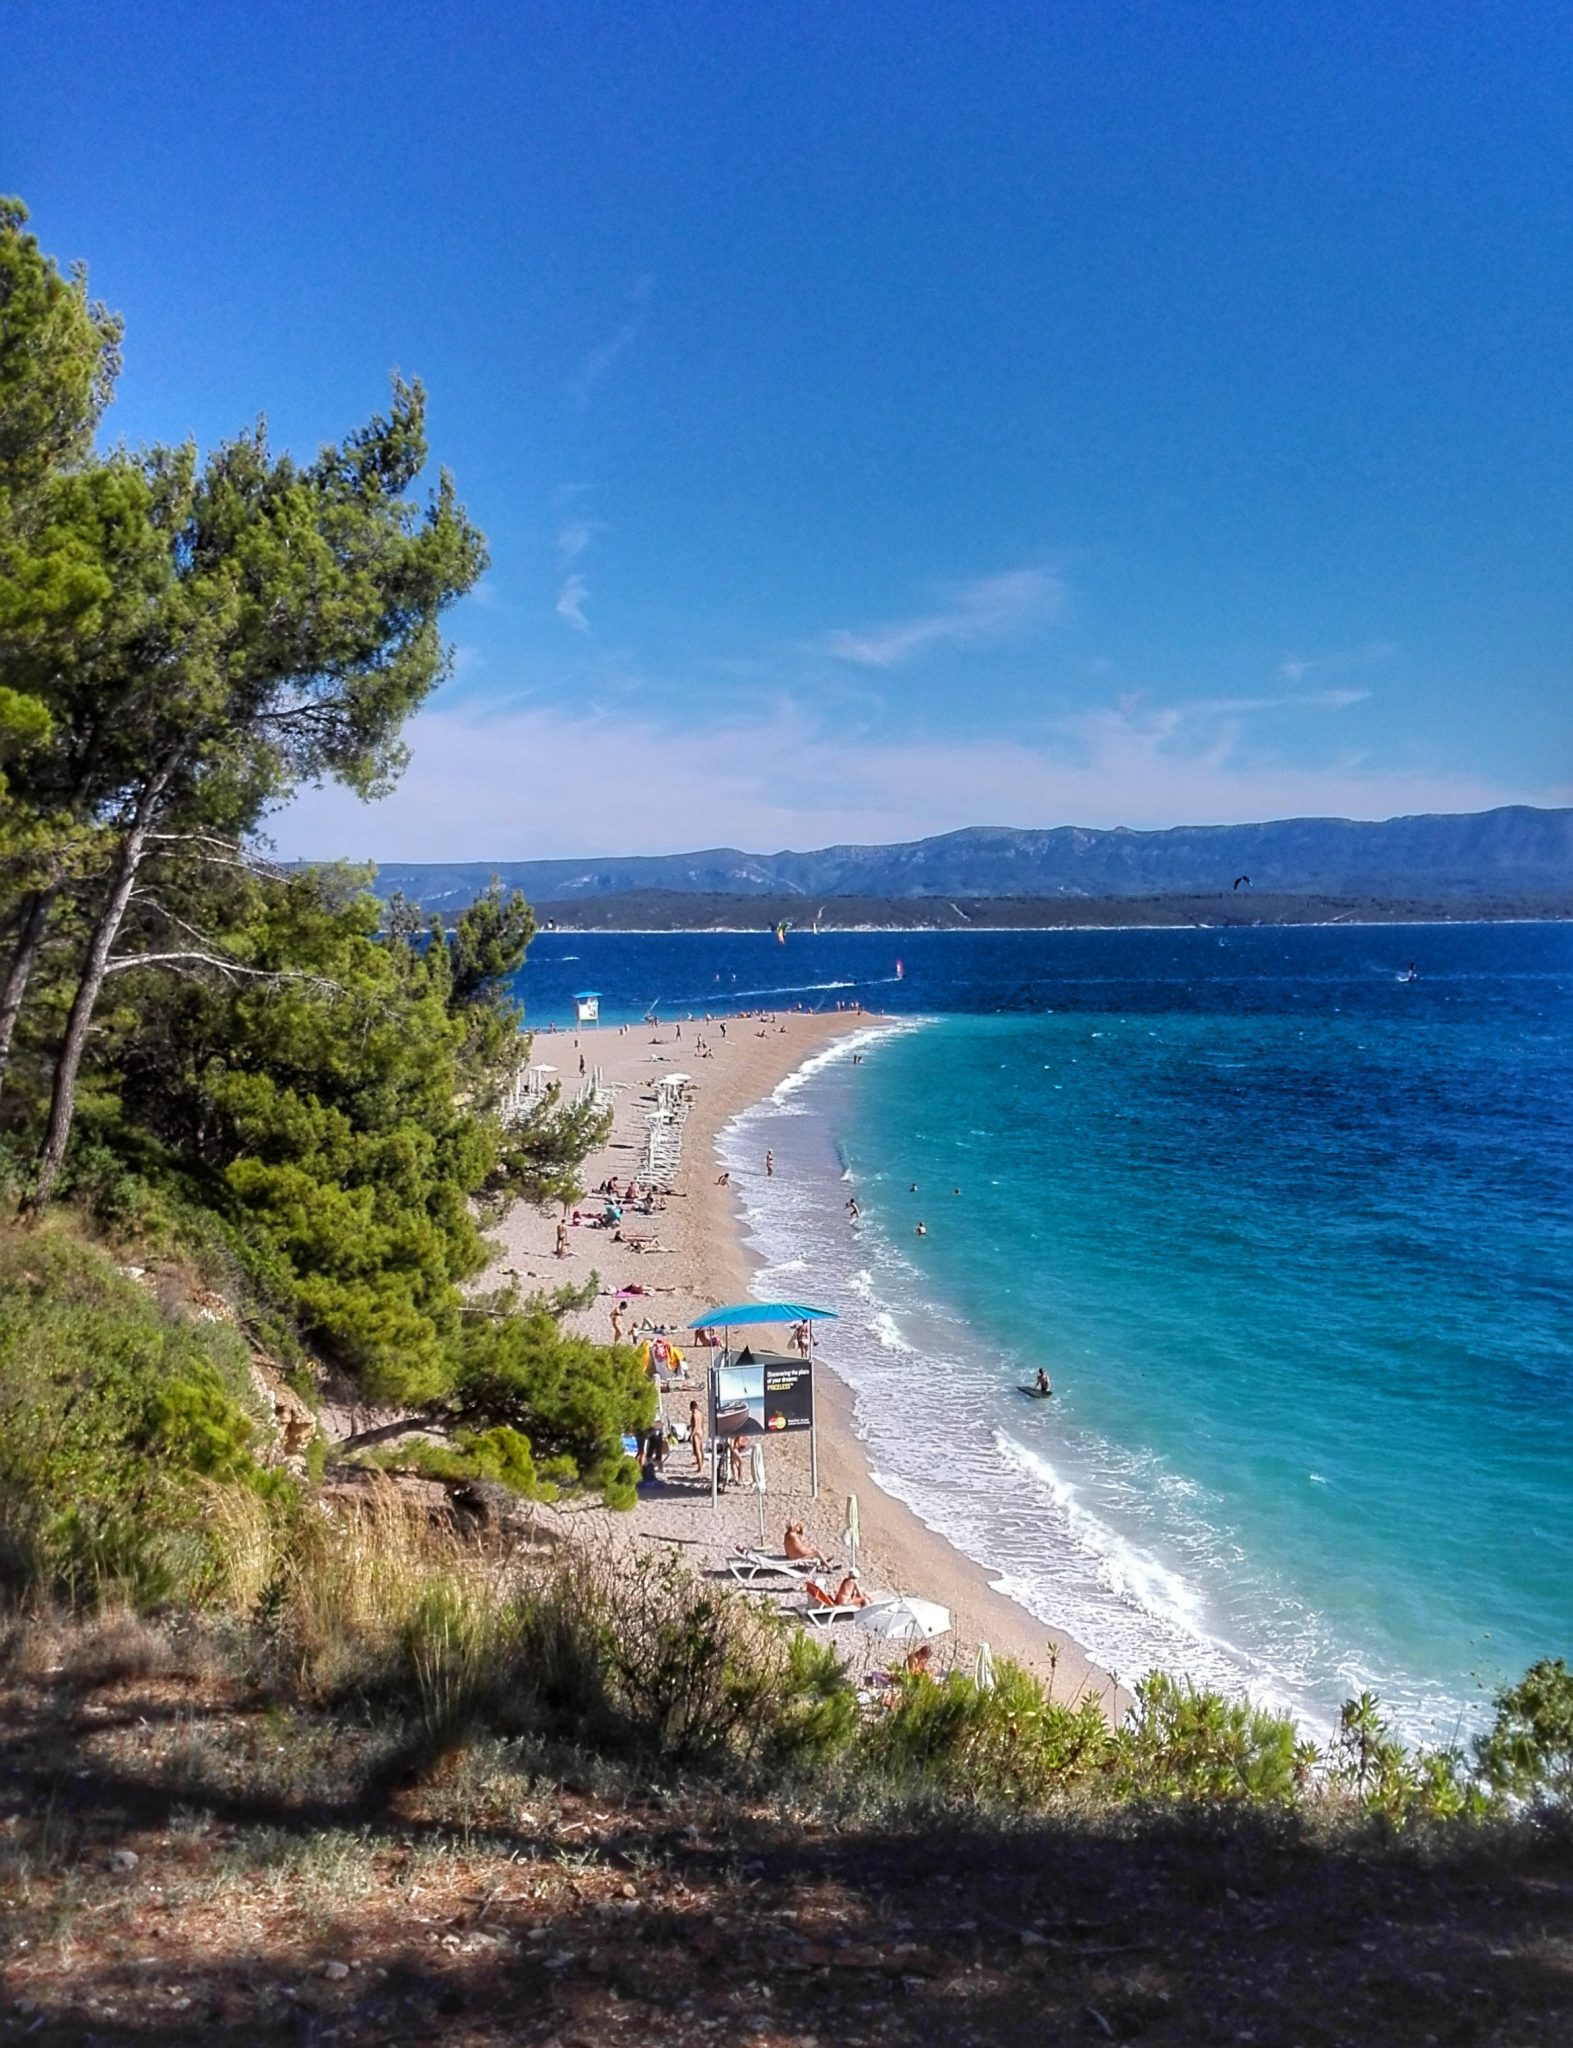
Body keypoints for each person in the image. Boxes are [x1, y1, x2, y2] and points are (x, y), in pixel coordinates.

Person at [689, 1398, 705, 1474]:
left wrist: (691, 1435)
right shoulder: (700, 1413)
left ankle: (700, 1468)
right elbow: (701, 1423)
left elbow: (695, 1425)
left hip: (696, 1433)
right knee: (701, 1450)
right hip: (701, 1431)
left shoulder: (694, 1414)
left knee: (697, 1451)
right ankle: (701, 1463)